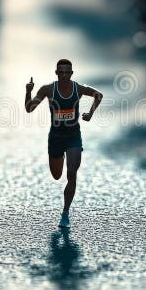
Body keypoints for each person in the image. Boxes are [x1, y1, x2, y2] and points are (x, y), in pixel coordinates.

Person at [25, 59, 103, 227]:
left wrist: (90, 114)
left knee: (72, 173)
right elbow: (29, 108)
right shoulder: (47, 90)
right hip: (55, 138)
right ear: (56, 73)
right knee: (56, 175)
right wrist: (28, 91)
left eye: (67, 72)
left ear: (72, 73)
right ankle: (64, 208)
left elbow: (99, 95)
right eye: (61, 72)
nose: (64, 75)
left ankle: (65, 213)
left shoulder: (78, 88)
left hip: (73, 136)